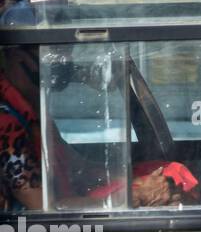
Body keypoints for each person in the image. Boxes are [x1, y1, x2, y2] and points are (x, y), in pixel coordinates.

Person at [0, 46, 188, 210]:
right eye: (55, 52)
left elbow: (77, 167)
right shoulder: (5, 122)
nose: (67, 60)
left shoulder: (31, 108)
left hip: (69, 203)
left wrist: (140, 179)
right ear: (18, 57)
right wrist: (138, 197)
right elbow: (43, 206)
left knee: (172, 173)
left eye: (68, 51)